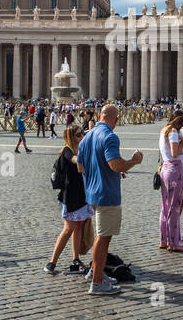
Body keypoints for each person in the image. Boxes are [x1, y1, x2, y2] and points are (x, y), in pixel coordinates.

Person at [77, 103, 144, 296]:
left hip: (91, 193)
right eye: (117, 120)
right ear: (114, 119)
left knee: (100, 234)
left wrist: (107, 171)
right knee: (103, 238)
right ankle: (97, 283)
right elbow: (114, 165)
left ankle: (94, 272)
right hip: (106, 194)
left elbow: (81, 168)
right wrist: (133, 161)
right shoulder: (110, 136)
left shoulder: (86, 137)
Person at [46, 125, 92, 275]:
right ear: (71, 138)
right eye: (79, 135)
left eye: (82, 134)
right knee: (68, 229)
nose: (82, 137)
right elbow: (75, 160)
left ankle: (76, 259)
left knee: (78, 227)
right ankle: (52, 262)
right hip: (70, 197)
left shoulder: (80, 148)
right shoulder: (67, 150)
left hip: (81, 195)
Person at [158, 113, 183, 252]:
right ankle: (174, 243)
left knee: (165, 208)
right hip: (174, 170)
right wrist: (182, 142)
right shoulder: (173, 132)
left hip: (165, 169)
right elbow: (175, 152)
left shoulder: (163, 130)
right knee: (174, 208)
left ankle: (164, 240)